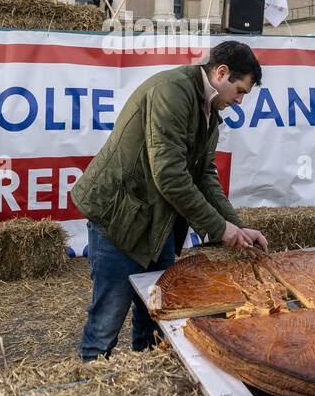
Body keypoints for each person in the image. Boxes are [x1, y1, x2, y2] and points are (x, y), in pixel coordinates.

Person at [70, 41, 269, 361]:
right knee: (108, 316)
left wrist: (239, 227)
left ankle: (150, 378)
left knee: (157, 312)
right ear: (221, 73)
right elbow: (170, 176)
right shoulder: (172, 92)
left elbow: (204, 177)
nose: (240, 101)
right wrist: (220, 229)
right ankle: (90, 383)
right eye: (240, 90)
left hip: (157, 223)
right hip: (119, 218)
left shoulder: (209, 111)